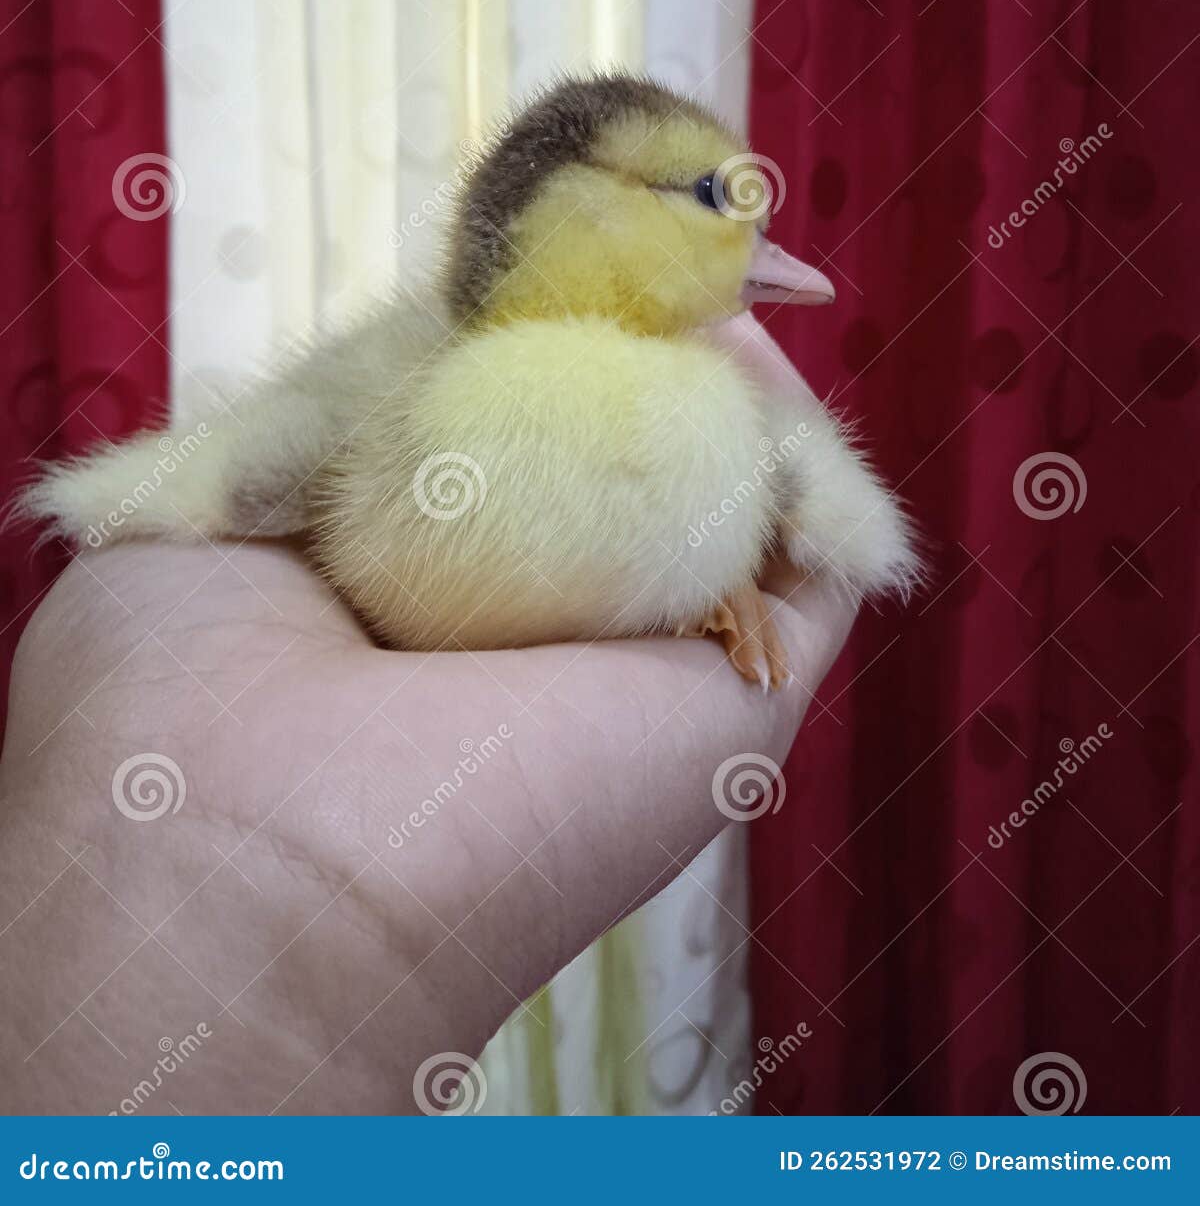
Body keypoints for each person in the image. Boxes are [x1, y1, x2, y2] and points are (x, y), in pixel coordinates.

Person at [0, 319, 857, 1115]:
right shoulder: (430, 383)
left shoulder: (719, 426)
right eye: (706, 202)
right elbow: (253, 464)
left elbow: (840, 519)